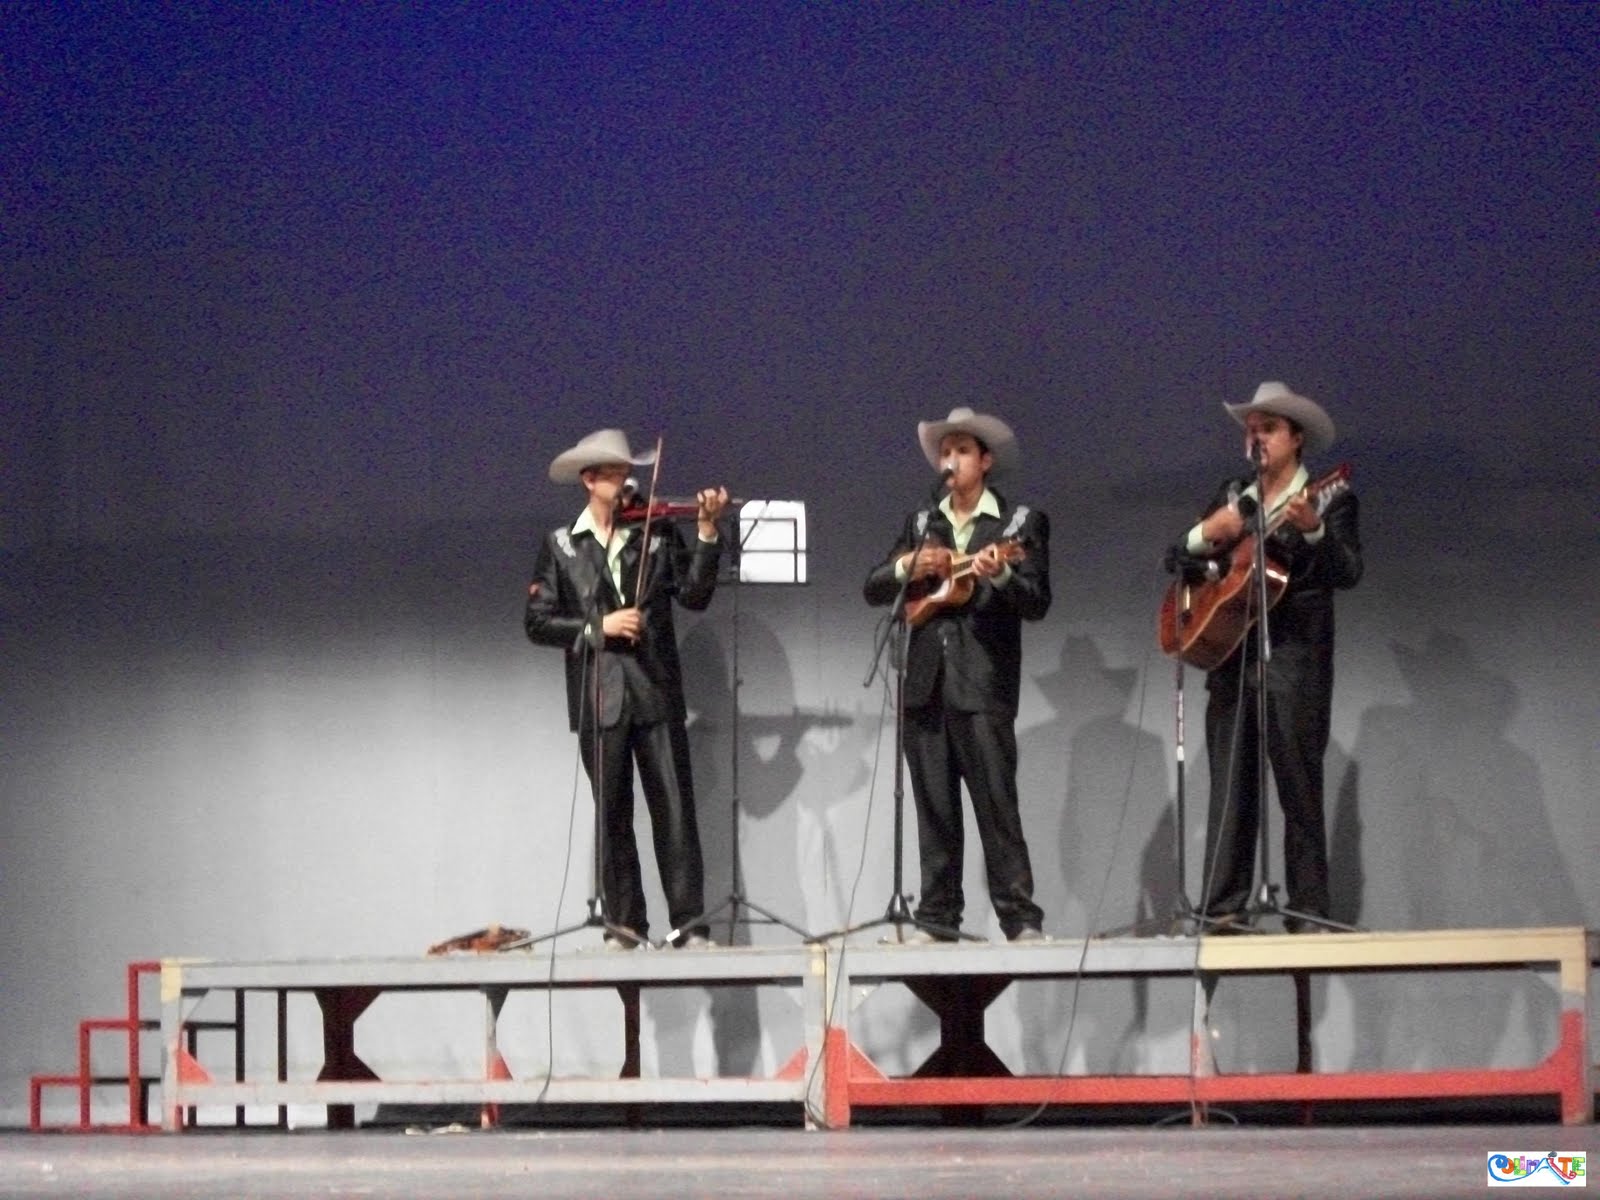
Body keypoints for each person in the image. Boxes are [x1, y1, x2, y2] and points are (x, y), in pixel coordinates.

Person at [524, 429, 729, 949]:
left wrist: (706, 533)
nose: (626, 480)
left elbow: (695, 595)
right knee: (612, 813)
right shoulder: (562, 544)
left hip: (657, 690)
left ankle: (690, 924)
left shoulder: (654, 530)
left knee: (675, 811)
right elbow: (538, 621)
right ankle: (625, 924)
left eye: (626, 471)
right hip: (601, 697)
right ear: (590, 480)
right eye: (614, 473)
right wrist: (599, 628)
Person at [1177, 382, 1363, 931]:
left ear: (1296, 438)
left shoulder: (1333, 498)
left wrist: (1314, 532)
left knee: (1298, 783)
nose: (1256, 438)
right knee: (1230, 785)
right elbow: (1179, 560)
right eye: (1251, 430)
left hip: (1296, 657)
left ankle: (1306, 909)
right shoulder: (1234, 494)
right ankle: (1224, 908)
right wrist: (1206, 534)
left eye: (1269, 429)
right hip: (1232, 657)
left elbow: (1348, 571)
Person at [863, 407, 1051, 942]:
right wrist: (909, 567)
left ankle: (1020, 918)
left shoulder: (1018, 525)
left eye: (962, 450)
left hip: (983, 683)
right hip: (924, 683)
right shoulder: (923, 524)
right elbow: (874, 586)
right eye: (945, 452)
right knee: (934, 808)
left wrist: (1005, 572)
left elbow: (1037, 602)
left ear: (985, 461)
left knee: (996, 804)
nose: (951, 460)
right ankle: (937, 918)